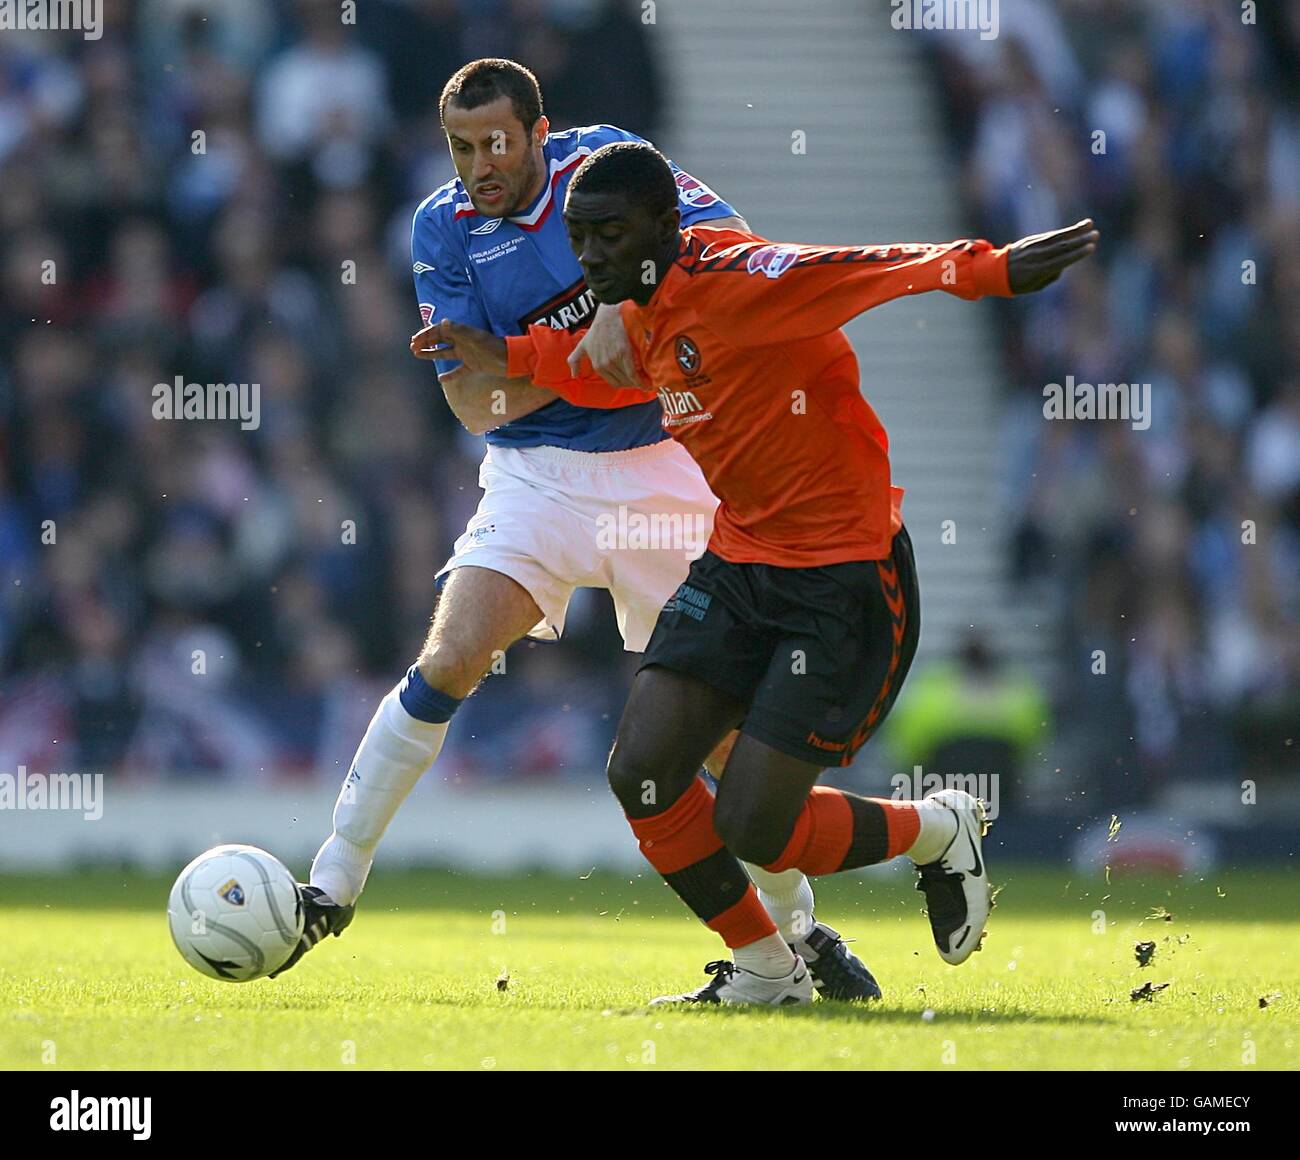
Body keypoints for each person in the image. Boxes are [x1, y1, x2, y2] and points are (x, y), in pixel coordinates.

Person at [423, 140, 1099, 1004]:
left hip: (844, 576)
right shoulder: (636, 308)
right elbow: (592, 370)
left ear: (666, 227)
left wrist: (988, 269)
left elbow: (861, 270)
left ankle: (936, 830)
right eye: (579, 237)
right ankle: (767, 972)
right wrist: (505, 355)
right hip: (740, 561)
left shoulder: (740, 279)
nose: (589, 257)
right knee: (642, 773)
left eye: (609, 235)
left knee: (754, 826)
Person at [273, 61, 879, 1001]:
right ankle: (331, 886)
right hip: (536, 477)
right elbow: (474, 404)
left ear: (539, 132)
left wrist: (584, 337)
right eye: (461, 147)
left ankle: (801, 936)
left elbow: (729, 256)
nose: (480, 164)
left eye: (497, 142)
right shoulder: (441, 228)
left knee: (721, 748)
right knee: (450, 659)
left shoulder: (610, 167)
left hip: (664, 469)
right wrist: (605, 338)